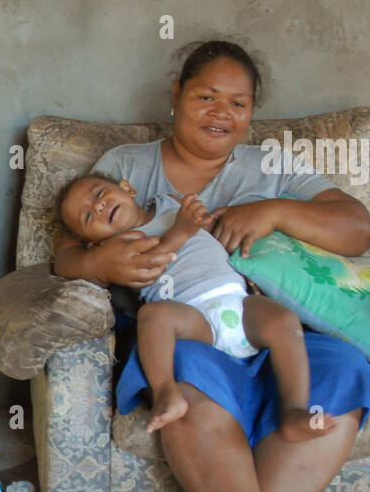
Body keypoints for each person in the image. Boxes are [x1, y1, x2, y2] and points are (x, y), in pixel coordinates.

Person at [52, 40, 370, 492]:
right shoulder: (129, 165)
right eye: (206, 96)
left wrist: (276, 210)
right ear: (176, 95)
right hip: (187, 329)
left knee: (342, 370)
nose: (221, 112)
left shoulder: (273, 167)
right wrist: (105, 267)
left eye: (239, 102)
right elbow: (66, 250)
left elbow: (358, 229)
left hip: (258, 326)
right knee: (180, 366)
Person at [58, 173, 337, 441]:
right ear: (94, 244)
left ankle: (294, 411)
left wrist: (212, 227)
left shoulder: (167, 201)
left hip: (236, 299)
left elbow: (208, 234)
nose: (98, 206)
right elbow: (153, 260)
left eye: (99, 193)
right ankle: (166, 391)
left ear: (127, 188)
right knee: (154, 316)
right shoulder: (119, 246)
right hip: (191, 314)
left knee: (283, 321)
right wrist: (180, 230)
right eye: (87, 216)